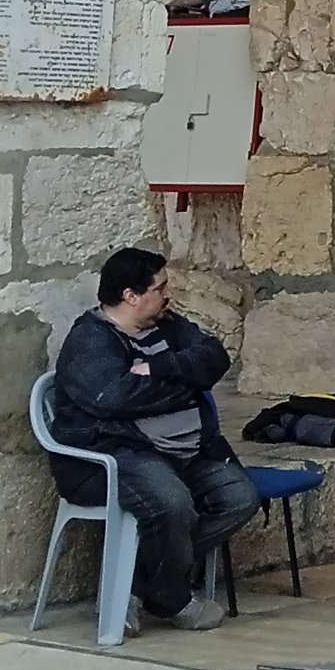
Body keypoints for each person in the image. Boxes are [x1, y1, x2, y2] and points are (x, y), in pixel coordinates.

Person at [49, 248, 257, 630]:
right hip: (114, 456)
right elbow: (117, 398)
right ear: (131, 295)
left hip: (186, 452)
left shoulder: (169, 326)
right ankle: (174, 600)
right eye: (160, 288)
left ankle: (134, 584)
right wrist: (187, 386)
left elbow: (214, 356)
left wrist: (162, 366)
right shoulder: (90, 341)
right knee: (172, 503)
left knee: (239, 497)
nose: (168, 294)